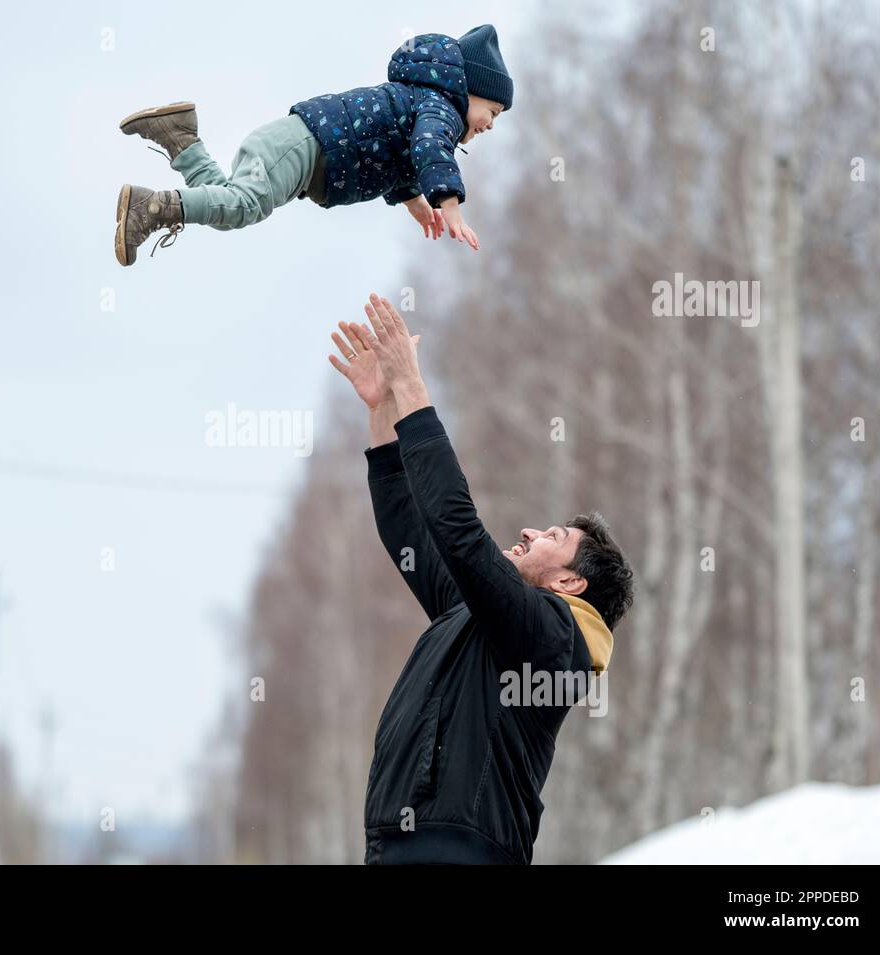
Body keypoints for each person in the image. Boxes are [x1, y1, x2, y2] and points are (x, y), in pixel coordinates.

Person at [328, 293, 635, 864]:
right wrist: (383, 404)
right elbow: (412, 536)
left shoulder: (552, 637)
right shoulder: (481, 616)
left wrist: (414, 392)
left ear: (570, 585)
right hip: (400, 849)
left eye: (553, 538)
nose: (528, 531)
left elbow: (457, 530)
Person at [113, 26, 512, 265]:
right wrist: (450, 205)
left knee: (229, 201)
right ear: (467, 90)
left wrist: (414, 200)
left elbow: (395, 153)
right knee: (243, 207)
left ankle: (180, 138)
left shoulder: (423, 105)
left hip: (298, 149)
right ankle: (152, 207)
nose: (491, 125)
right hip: (302, 150)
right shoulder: (439, 108)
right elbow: (430, 147)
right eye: (492, 111)